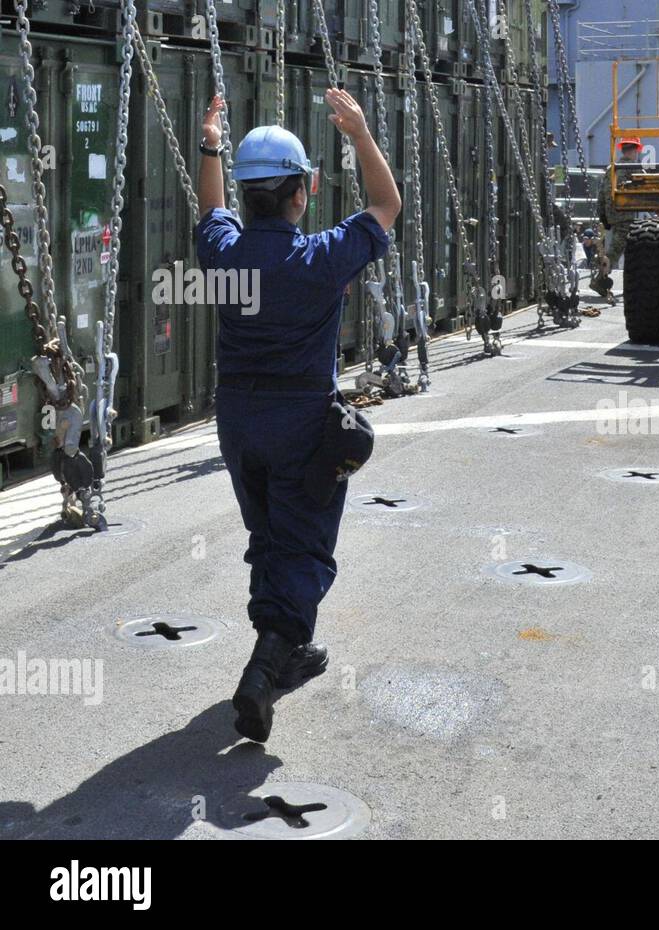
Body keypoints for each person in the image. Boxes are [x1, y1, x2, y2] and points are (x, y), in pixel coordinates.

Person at [194, 90, 401, 742]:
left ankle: (288, 642)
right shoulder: (319, 258)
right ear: (304, 192)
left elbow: (210, 208)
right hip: (299, 419)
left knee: (270, 538)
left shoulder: (225, 255)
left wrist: (209, 143)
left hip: (237, 421)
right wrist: (362, 134)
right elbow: (386, 206)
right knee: (304, 545)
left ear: (249, 195)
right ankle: (267, 666)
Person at [593, 136, 643, 296]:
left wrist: (603, 216)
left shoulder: (610, 169)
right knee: (616, 249)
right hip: (626, 215)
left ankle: (606, 276)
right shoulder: (634, 168)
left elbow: (601, 195)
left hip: (611, 216)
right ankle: (600, 279)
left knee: (618, 246)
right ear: (635, 150)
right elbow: (645, 188)